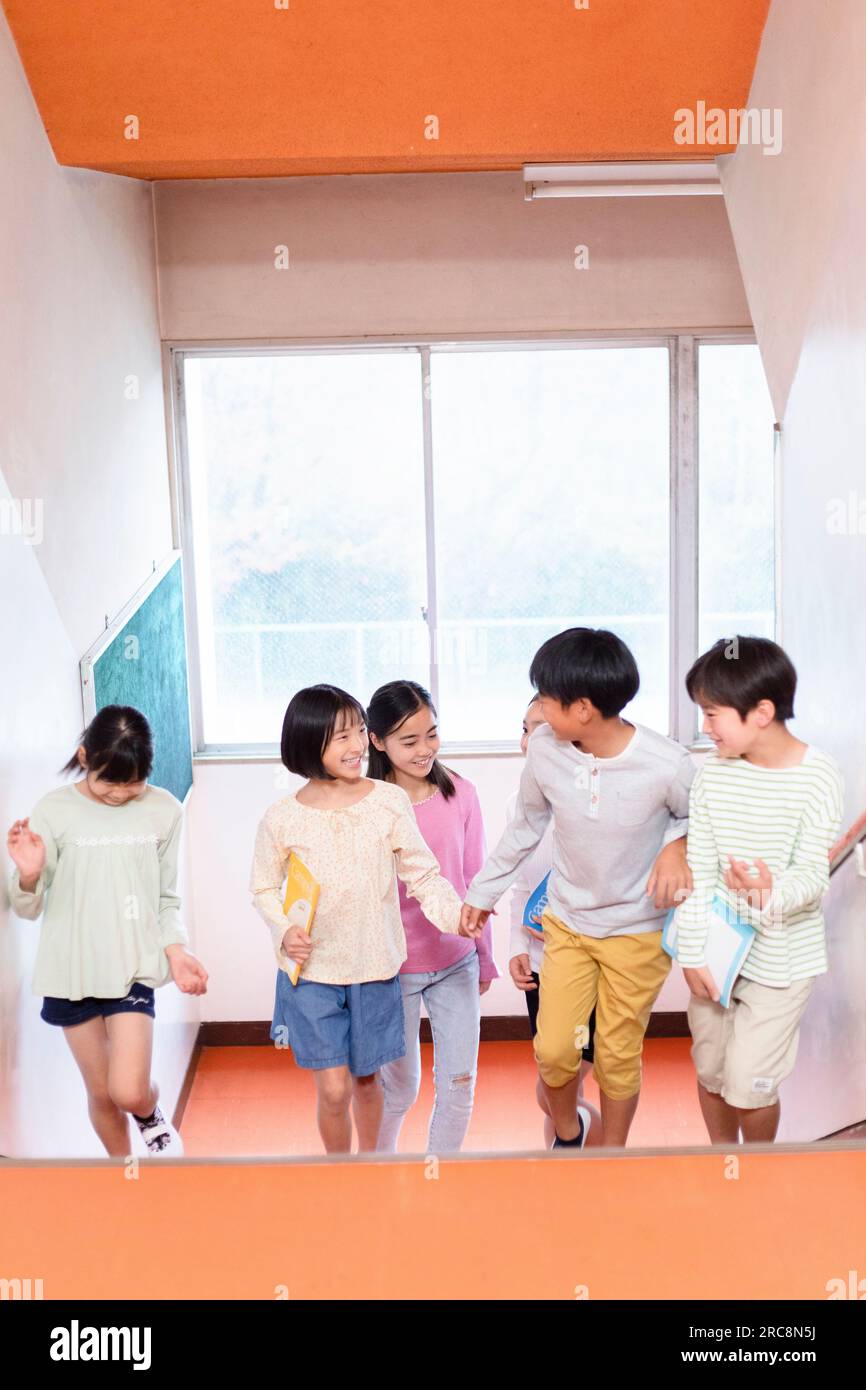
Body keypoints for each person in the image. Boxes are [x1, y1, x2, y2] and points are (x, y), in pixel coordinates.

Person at [461, 628, 694, 1148]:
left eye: (547, 698)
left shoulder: (667, 764)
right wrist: (482, 893)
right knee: (555, 1051)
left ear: (583, 708)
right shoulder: (546, 748)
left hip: (637, 934)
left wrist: (677, 844)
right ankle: (570, 1132)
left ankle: (612, 1152)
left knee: (615, 1055)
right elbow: (523, 826)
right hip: (566, 925)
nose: (540, 709)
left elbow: (700, 820)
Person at [250, 684, 469, 1155]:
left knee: (368, 1083)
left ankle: (369, 1169)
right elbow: (264, 888)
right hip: (313, 974)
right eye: (339, 738)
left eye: (359, 732)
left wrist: (458, 917)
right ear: (308, 743)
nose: (355, 747)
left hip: (375, 969)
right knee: (333, 1089)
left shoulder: (388, 802)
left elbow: (423, 874)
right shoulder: (282, 818)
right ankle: (339, 1170)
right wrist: (283, 929)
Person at [6, 706, 207, 1157]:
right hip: (70, 973)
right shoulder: (53, 810)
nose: (119, 793)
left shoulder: (163, 811)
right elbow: (26, 907)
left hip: (132, 968)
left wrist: (177, 951)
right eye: (108, 781)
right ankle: (125, 1174)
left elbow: (165, 898)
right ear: (84, 756)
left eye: (132, 782)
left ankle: (150, 1114)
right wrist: (29, 875)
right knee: (101, 1094)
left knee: (129, 1090)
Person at [675, 636, 843, 1144]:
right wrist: (691, 952)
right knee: (712, 1073)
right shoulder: (713, 776)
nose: (704, 728)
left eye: (712, 714)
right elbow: (698, 870)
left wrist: (770, 892)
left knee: (750, 1085)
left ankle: (758, 1172)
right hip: (716, 954)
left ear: (762, 712)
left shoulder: (818, 777)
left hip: (782, 961)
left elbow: (813, 874)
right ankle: (723, 1165)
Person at [366, 679, 497, 1153]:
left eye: (432, 734)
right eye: (409, 740)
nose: (425, 749)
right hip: (391, 969)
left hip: (456, 961)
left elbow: (474, 877)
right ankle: (376, 1175)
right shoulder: (366, 805)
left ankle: (438, 1178)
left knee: (460, 1084)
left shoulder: (461, 793)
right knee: (399, 1089)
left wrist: (484, 956)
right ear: (376, 741)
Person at [508, 696, 599, 1146]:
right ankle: (568, 1150)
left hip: (587, 964)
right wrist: (517, 949)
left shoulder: (594, 798)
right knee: (555, 1081)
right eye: (525, 729)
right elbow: (520, 885)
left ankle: (581, 1134)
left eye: (541, 729)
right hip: (541, 968)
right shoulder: (519, 803)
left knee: (560, 1081)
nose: (530, 741)